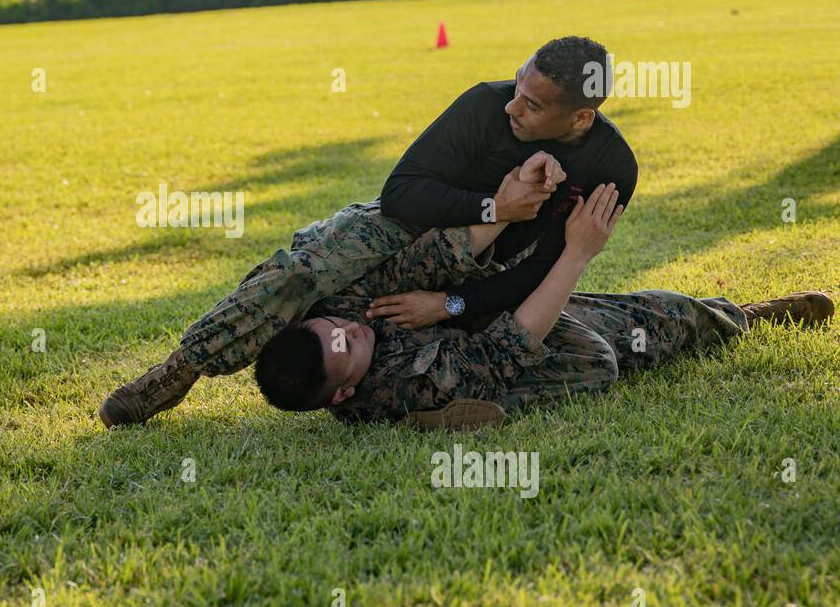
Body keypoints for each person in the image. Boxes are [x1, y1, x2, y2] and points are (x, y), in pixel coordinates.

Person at [100, 36, 637, 427]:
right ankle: (179, 370)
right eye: (517, 88)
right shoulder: (482, 108)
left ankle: (419, 408)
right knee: (304, 271)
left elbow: (539, 271)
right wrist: (494, 204)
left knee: (591, 360)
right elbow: (402, 191)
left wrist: (450, 304)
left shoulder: (612, 169)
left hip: (485, 270)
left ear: (580, 118)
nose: (510, 106)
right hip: (399, 230)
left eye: (532, 104)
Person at [253, 183, 833, 425]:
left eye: (338, 326)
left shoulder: (337, 320)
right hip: (533, 359)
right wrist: (576, 253)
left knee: (649, 311)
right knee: (636, 335)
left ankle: (733, 314)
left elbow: (426, 260)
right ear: (345, 391)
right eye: (349, 346)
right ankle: (742, 319)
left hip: (479, 320)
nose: (353, 329)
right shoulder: (406, 382)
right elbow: (513, 345)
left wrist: (508, 207)